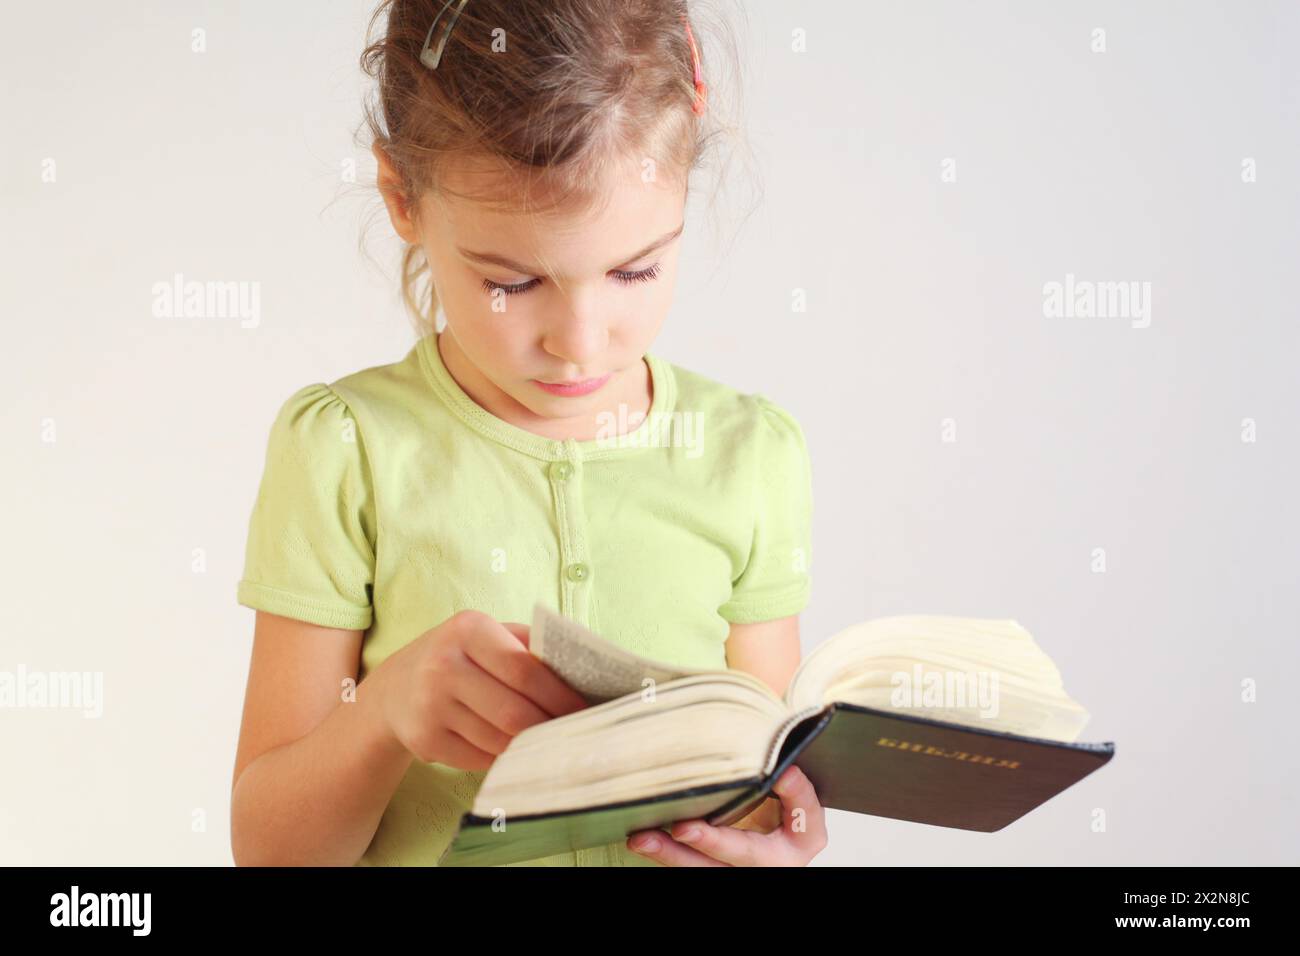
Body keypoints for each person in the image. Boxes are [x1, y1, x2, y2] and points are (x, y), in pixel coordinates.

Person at [230, 0, 826, 867]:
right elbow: (272, 853)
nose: (578, 341)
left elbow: (766, 787)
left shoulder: (750, 457)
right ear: (402, 196)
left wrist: (780, 842)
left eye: (636, 270)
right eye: (512, 281)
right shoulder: (347, 452)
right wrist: (387, 710)